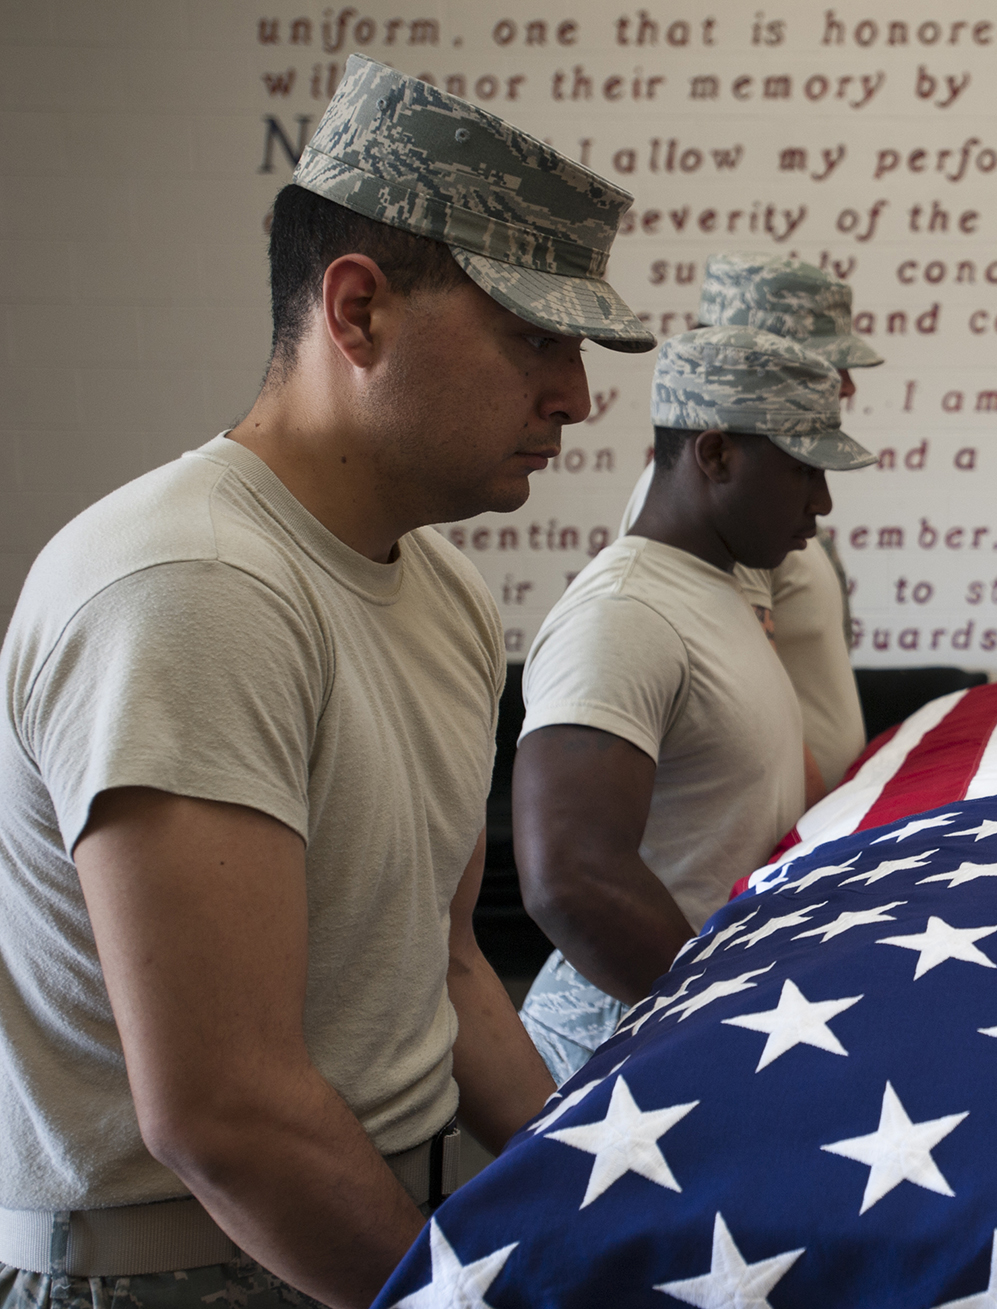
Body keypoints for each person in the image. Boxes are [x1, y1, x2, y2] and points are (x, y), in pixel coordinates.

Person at [0, 55, 651, 1308]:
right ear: (357, 313)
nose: (574, 395)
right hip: (188, 1268)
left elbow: (449, 967)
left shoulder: (450, 594)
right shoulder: (190, 583)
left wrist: (610, 1192)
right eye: (534, 337)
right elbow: (227, 1110)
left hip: (374, 1226)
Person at [514, 326, 877, 1083]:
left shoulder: (715, 588)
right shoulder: (624, 614)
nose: (823, 501)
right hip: (620, 1051)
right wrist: (722, 1021)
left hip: (684, 1031)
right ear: (715, 456)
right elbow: (571, 876)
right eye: (803, 469)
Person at [618, 254, 882, 793]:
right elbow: (752, 706)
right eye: (829, 363)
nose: (848, 386)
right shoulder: (716, 506)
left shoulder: (750, 498)